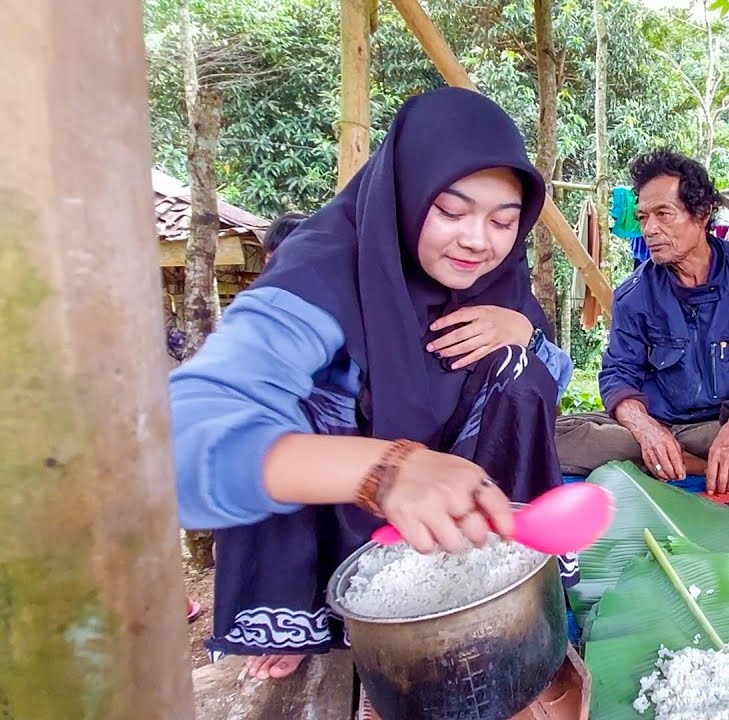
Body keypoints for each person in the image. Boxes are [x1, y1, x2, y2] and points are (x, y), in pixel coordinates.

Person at [171, 88, 576, 681]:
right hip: (332, 527)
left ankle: (482, 580)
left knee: (515, 369)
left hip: (452, 532)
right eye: (450, 210)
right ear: (406, 195)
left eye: (503, 221)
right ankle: (300, 609)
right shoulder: (320, 274)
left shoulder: (500, 282)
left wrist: (522, 334)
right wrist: (385, 471)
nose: (477, 240)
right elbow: (173, 451)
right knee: (301, 406)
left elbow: (551, 385)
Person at [555, 150, 729, 495]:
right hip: (660, 427)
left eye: (663, 214)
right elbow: (618, 374)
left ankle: (686, 461)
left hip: (724, 423)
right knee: (552, 437)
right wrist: (645, 429)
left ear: (702, 214)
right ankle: (698, 463)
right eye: (643, 217)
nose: (649, 229)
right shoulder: (634, 294)